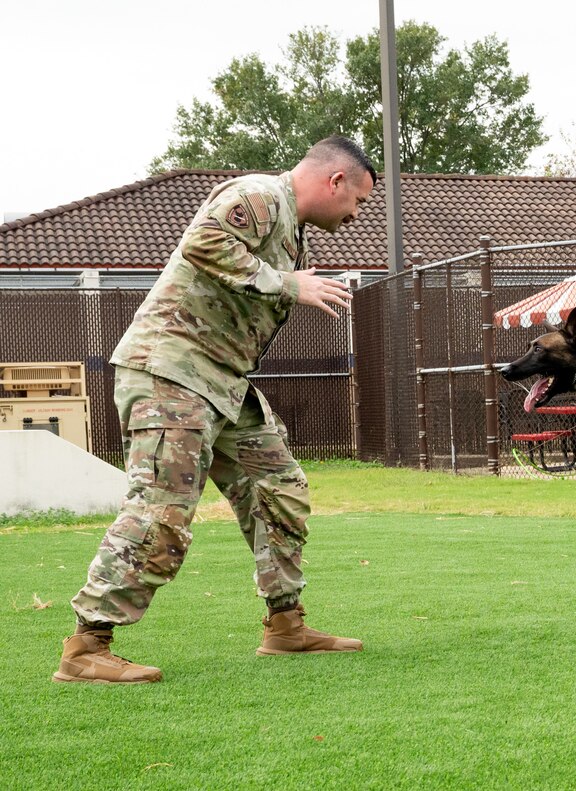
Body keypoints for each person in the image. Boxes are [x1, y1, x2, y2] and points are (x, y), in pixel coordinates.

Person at [54, 136, 377, 683]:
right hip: (171, 371)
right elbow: (203, 241)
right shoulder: (258, 196)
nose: (356, 214)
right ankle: (87, 644)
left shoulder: (293, 234)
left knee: (279, 490)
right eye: (359, 201)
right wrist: (285, 283)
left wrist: (286, 279)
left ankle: (286, 625)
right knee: (163, 509)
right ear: (335, 181)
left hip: (223, 384)